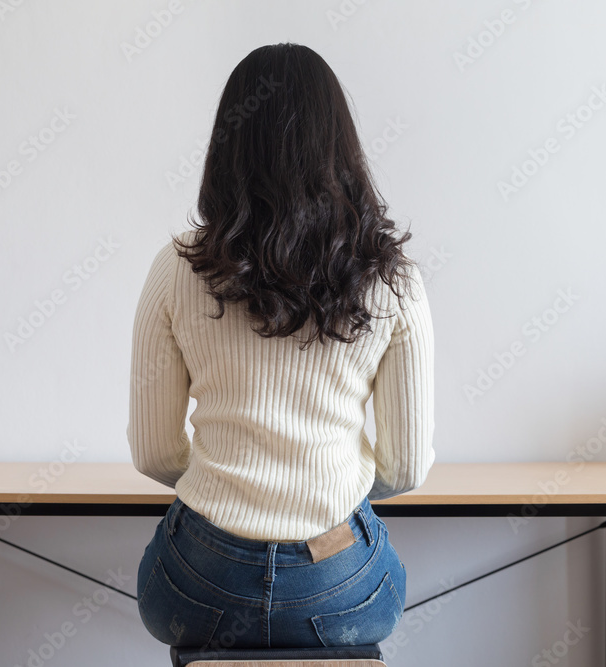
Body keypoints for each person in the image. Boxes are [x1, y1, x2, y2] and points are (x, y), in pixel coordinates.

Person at [127, 42, 435, 650]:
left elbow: (155, 454)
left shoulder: (175, 269)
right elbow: (404, 468)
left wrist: (236, 492)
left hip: (201, 581)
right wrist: (316, 493)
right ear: (340, 145)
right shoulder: (393, 280)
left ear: (227, 146)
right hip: (336, 577)